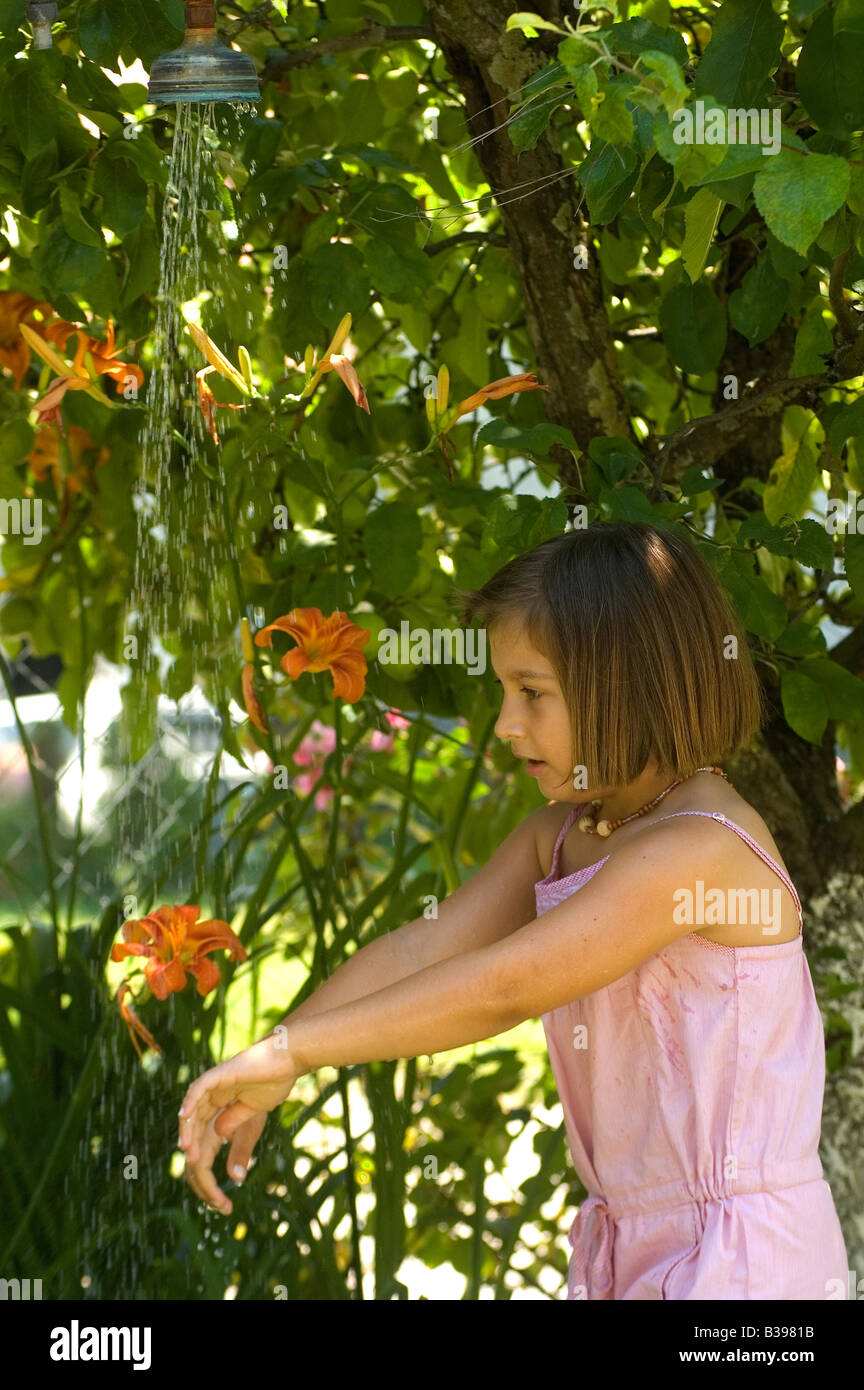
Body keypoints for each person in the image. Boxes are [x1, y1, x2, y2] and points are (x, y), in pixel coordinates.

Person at [178, 520, 850, 1300]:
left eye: (532, 692)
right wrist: (274, 1053)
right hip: (631, 1240)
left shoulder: (698, 848)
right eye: (505, 691)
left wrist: (297, 1054)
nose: (505, 723)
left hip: (742, 1261)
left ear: (628, 684)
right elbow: (423, 950)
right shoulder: (561, 835)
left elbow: (507, 986)